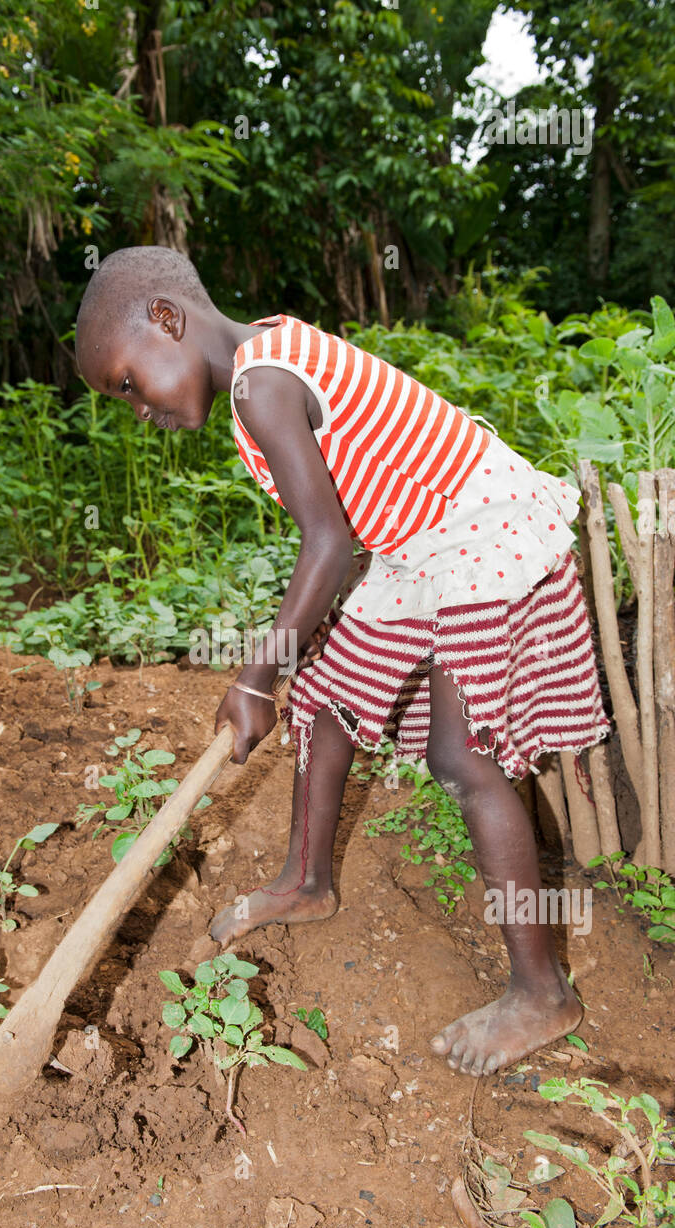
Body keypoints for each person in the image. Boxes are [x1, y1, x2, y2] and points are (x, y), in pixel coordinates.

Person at [74, 245, 610, 1077]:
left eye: (125, 384)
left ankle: (543, 991)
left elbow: (326, 545)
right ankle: (307, 881)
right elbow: (346, 528)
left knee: (460, 757)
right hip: (412, 544)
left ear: (167, 321)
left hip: (477, 530)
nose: (135, 409)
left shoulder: (261, 382)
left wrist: (255, 676)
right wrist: (292, 664)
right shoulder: (266, 353)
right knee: (326, 699)